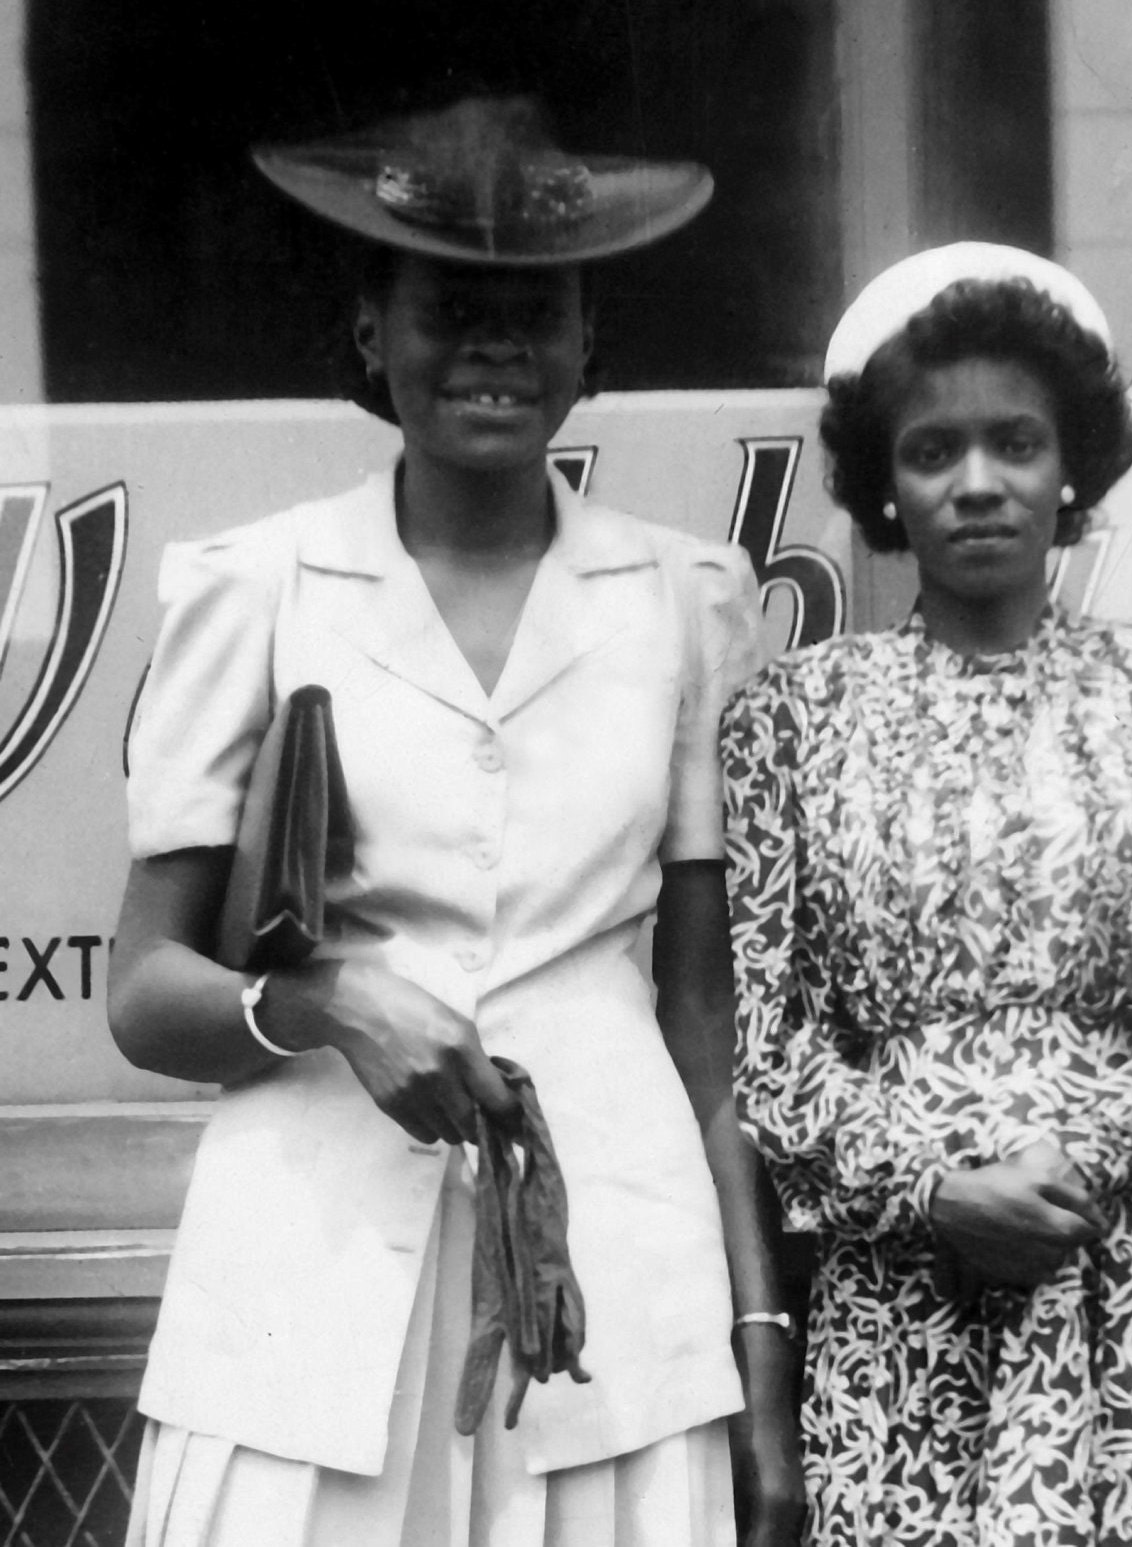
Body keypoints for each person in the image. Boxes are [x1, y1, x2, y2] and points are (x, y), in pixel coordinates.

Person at [109, 94, 803, 1547]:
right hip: (308, 1275)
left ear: (587, 339)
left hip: (606, 1278)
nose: (493, 344)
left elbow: (700, 1021)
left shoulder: (685, 601)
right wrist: (331, 1001)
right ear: (372, 333)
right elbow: (144, 994)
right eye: (447, 306)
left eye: (534, 310)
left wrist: (755, 1346)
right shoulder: (259, 585)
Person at [719, 242, 1132, 1546]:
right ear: (884, 482)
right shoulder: (794, 720)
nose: (978, 483)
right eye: (933, 452)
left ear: (1072, 467)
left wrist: (1073, 1166)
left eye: (1017, 443)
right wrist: (936, 1192)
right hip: (907, 1308)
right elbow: (768, 1054)